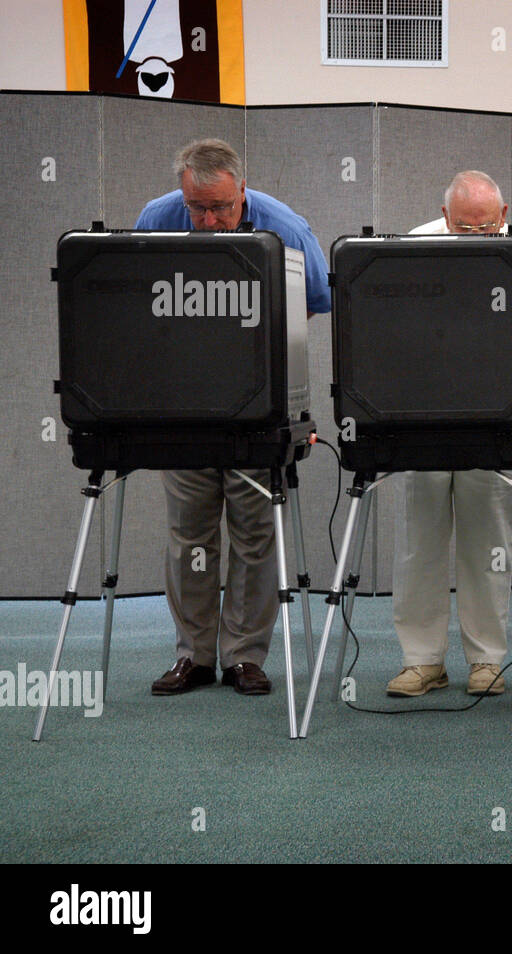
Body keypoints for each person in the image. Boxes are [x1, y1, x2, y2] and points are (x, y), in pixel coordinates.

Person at [140, 138, 331, 696]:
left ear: (242, 190)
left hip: (259, 402)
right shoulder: (157, 218)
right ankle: (194, 655)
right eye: (197, 208)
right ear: (183, 194)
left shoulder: (285, 227)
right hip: (184, 405)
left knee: (253, 534)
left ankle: (244, 655)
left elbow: (316, 301)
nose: (209, 221)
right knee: (190, 533)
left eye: (221, 207)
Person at [386, 170, 512, 698]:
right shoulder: (414, 248)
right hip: (424, 419)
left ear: (502, 216)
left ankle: (486, 662)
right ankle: (421, 662)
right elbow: (387, 329)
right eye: (464, 226)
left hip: (495, 420)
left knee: (490, 545)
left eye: (485, 227)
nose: (476, 235)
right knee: (420, 545)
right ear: (446, 217)